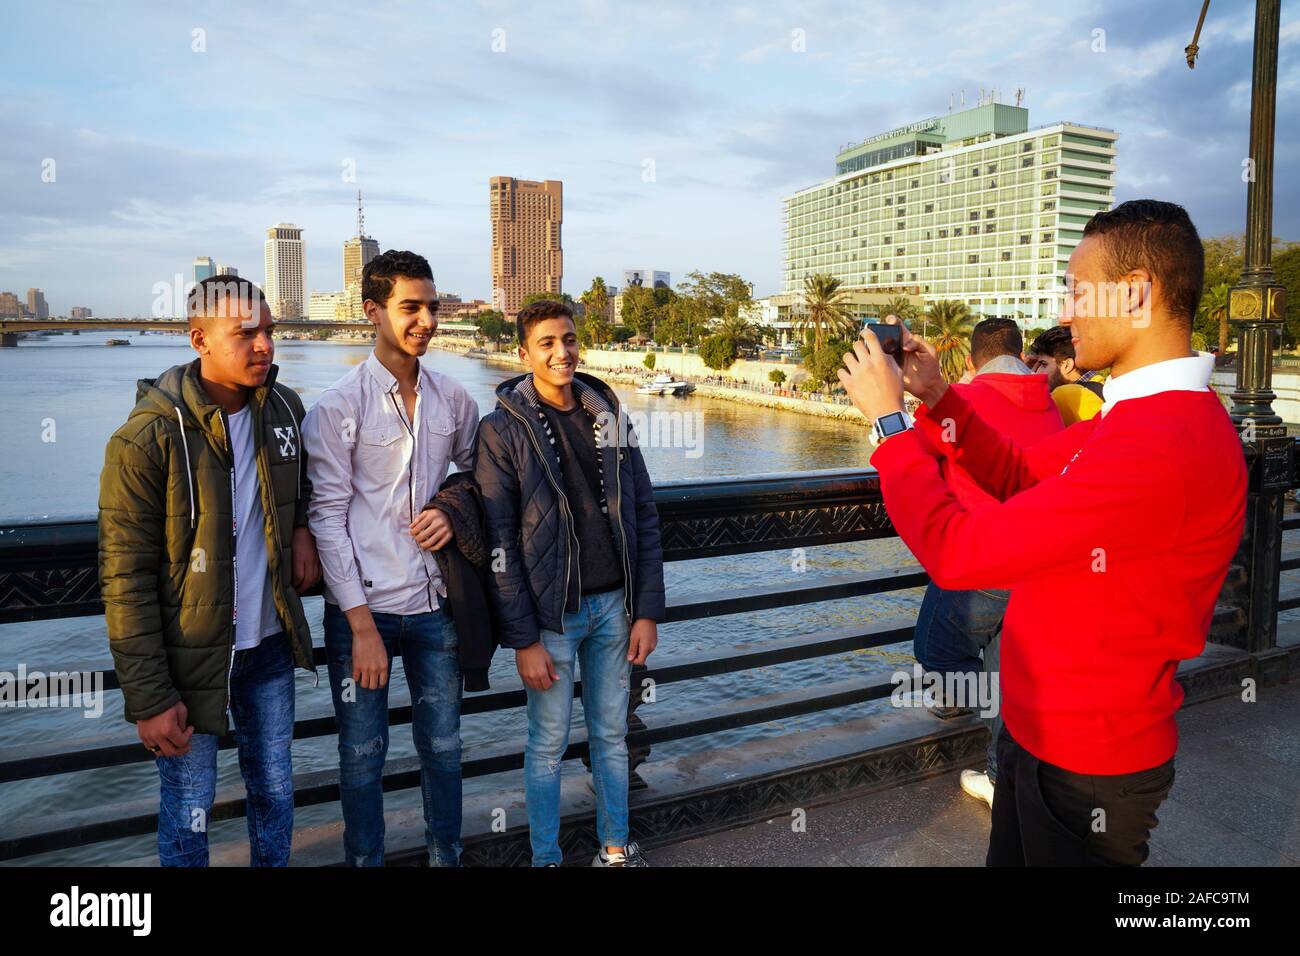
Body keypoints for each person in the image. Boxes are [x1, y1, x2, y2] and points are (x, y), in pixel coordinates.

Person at [837, 200, 1247, 866]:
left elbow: (959, 550)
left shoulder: (1163, 443)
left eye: (1078, 291)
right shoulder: (1138, 421)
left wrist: (889, 429)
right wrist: (937, 397)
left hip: (1089, 764)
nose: (1064, 313)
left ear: (1136, 292)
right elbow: (1019, 474)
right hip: (1040, 737)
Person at [98, 275, 320, 866]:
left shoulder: (285, 411)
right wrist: (148, 697)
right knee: (190, 802)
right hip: (190, 657)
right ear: (198, 338)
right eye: (245, 333)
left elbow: (305, 486)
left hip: (268, 644)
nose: (264, 345)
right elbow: (124, 579)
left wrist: (300, 530)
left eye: (269, 331)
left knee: (274, 789)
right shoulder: (147, 438)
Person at [302, 250, 479, 867]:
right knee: (360, 756)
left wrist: (454, 509)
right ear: (373, 311)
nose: (426, 319)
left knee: (445, 748)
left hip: (435, 603)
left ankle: (446, 857)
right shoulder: (337, 407)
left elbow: (479, 477)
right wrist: (358, 628)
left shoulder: (454, 398)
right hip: (364, 613)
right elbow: (326, 518)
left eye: (432, 306)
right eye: (411, 307)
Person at [474, 299, 665, 867]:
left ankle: (614, 848)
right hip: (551, 617)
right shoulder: (502, 428)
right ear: (524, 352)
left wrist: (646, 610)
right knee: (548, 746)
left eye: (569, 340)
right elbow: (499, 543)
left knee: (611, 738)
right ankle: (545, 858)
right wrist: (524, 639)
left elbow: (645, 512)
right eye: (548, 344)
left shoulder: (608, 413)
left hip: (615, 607)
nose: (562, 353)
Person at [911, 318, 1063, 808]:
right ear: (1019, 354)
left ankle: (958, 700)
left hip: (980, 560)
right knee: (1005, 666)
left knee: (933, 649)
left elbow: (913, 451)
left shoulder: (964, 399)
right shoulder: (1051, 403)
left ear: (974, 359)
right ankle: (1001, 778)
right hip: (1037, 561)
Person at [1026, 325, 1106, 424]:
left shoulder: (1064, 394)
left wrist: (1027, 376)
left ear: (1067, 365)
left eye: (1043, 364)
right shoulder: (1103, 387)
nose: (1037, 372)